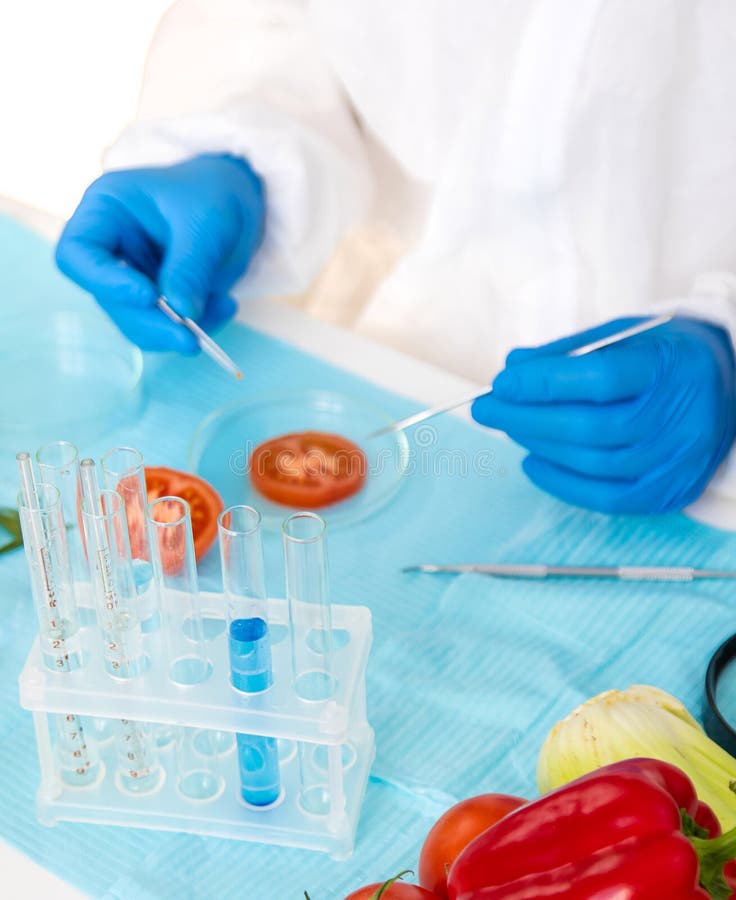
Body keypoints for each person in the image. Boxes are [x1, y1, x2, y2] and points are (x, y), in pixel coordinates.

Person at [55, 0, 736, 515]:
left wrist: (729, 346)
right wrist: (238, 146)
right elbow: (284, 25)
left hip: (688, 447)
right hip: (385, 345)